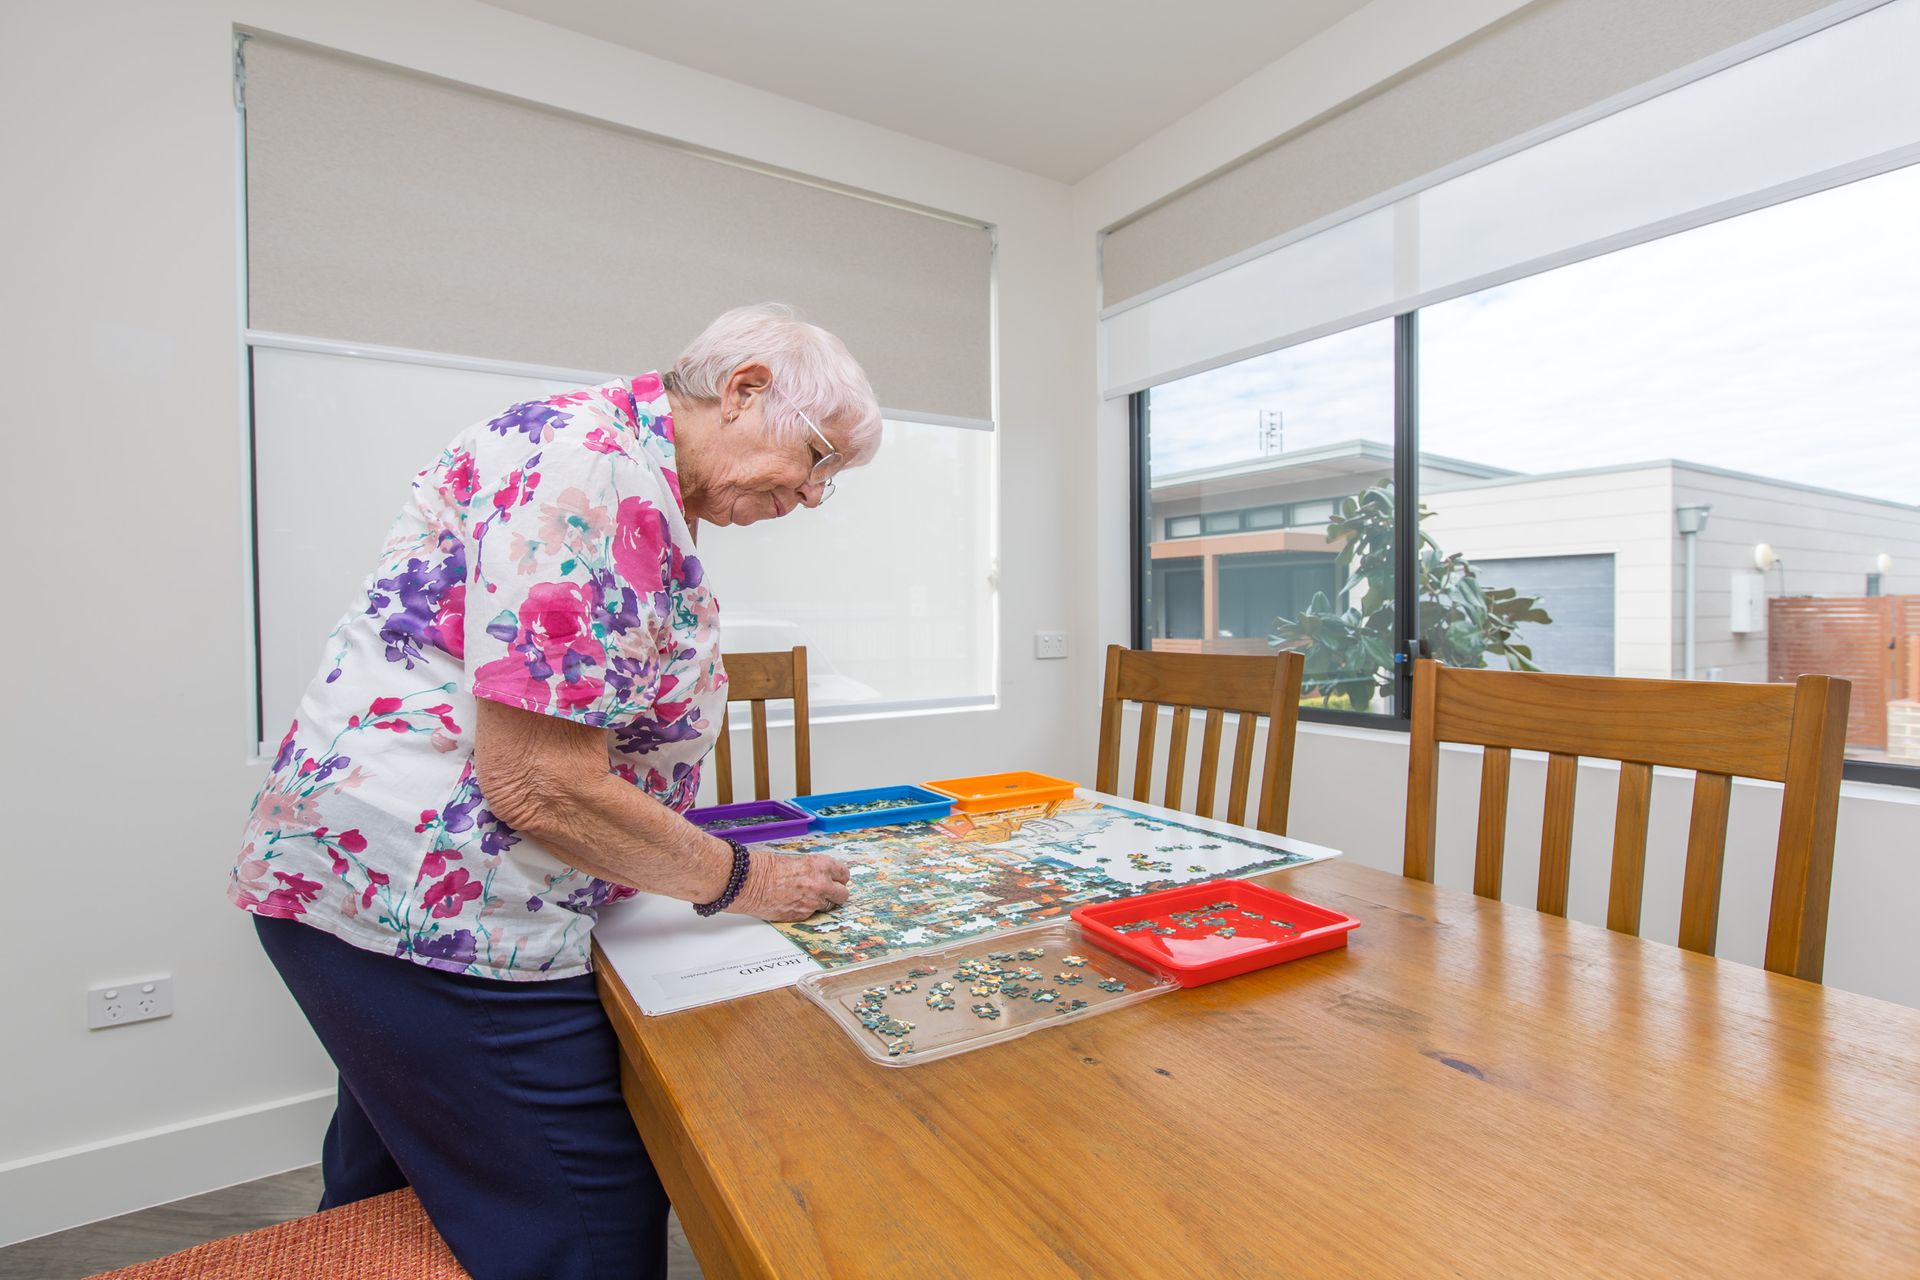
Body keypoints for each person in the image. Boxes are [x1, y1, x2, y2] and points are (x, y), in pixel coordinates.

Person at [229, 303, 883, 1278]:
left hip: (365, 887)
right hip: (442, 913)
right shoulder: (597, 470)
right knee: (591, 1216)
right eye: (819, 458)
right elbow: (537, 783)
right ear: (745, 389)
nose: (813, 494)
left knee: (392, 1193)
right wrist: (751, 879)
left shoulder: (612, 460)